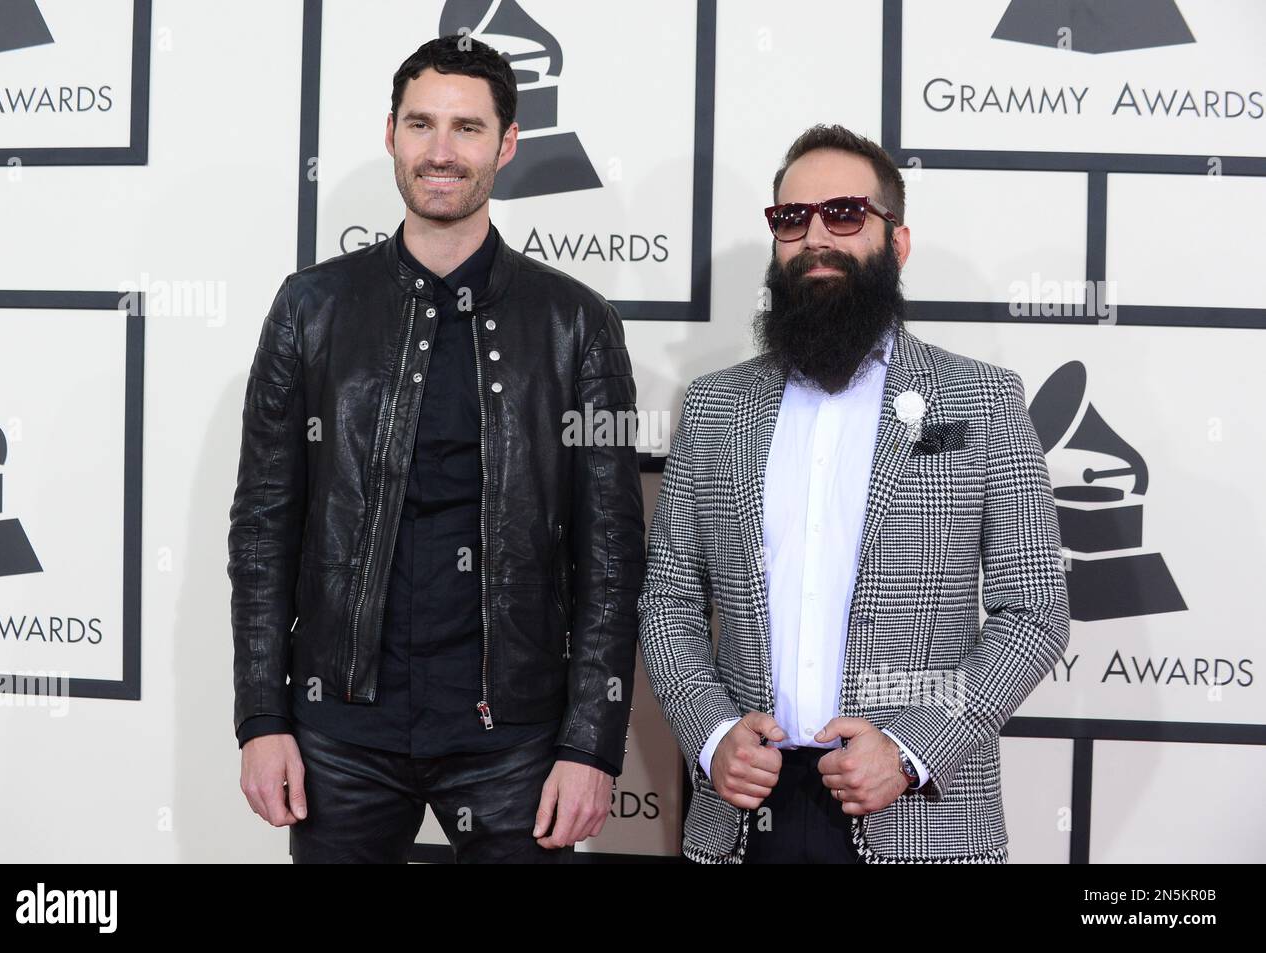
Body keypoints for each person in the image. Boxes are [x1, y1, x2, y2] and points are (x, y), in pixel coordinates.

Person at [229, 35, 645, 863]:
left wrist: (591, 744)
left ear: (508, 142)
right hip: (339, 731)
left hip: (515, 738)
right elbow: (264, 527)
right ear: (391, 135)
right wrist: (261, 717)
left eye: (466, 127)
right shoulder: (310, 308)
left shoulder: (575, 323)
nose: (441, 151)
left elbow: (611, 552)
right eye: (421, 124)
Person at [638, 123, 1069, 863]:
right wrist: (711, 734)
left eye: (844, 215)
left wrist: (909, 751)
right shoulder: (712, 408)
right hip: (743, 813)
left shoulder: (984, 399)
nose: (815, 237)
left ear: (896, 243)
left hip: (918, 812)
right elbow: (669, 598)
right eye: (791, 219)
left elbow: (1034, 612)